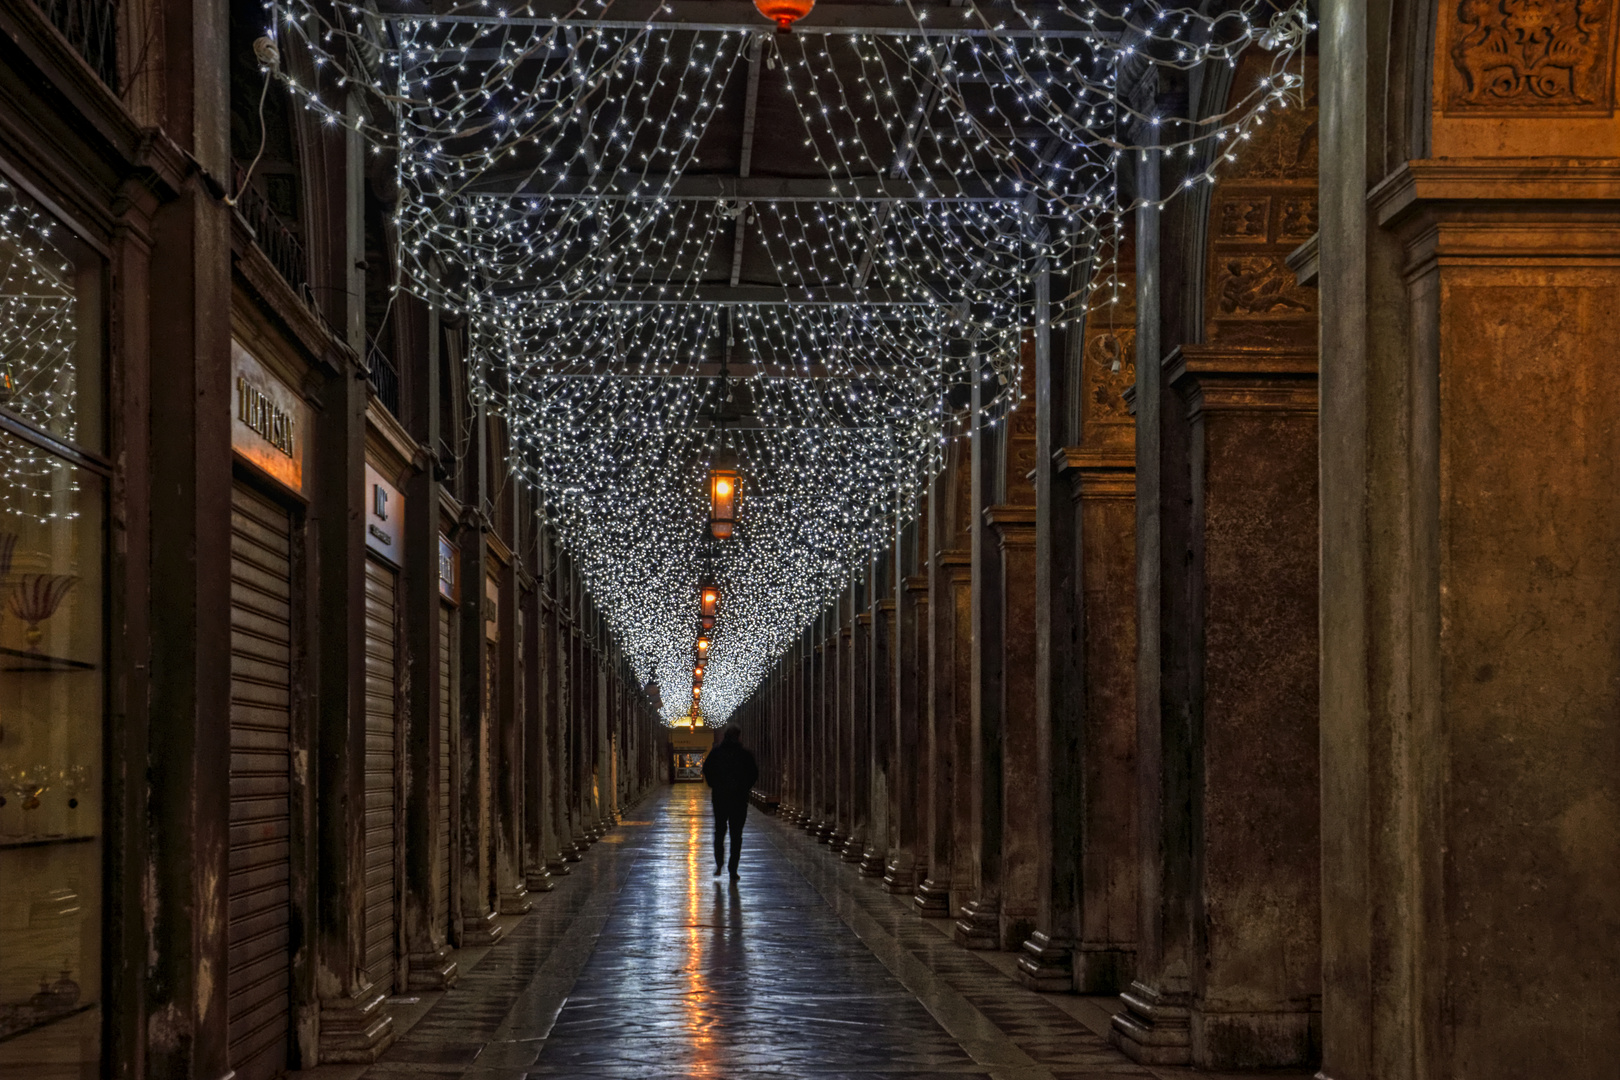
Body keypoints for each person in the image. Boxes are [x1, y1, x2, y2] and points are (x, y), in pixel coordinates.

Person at [701, 726, 759, 880]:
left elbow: (706, 769)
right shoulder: (744, 754)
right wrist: (744, 787)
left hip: (720, 798)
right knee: (736, 834)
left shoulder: (717, 753)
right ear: (739, 737)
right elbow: (754, 773)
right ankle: (733, 869)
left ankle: (719, 864)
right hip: (739, 799)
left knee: (719, 831)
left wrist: (715, 785)